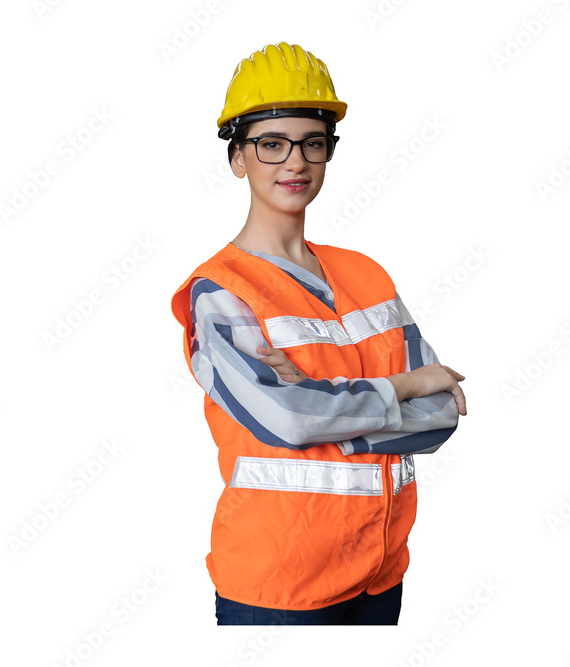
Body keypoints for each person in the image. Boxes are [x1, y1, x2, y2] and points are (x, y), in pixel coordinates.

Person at [169, 42, 467, 625]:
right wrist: (406, 386)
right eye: (271, 144)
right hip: (278, 587)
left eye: (313, 142)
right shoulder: (221, 292)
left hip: (380, 573)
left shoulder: (367, 274)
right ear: (237, 158)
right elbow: (289, 420)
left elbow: (441, 417)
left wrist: (320, 411)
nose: (296, 161)